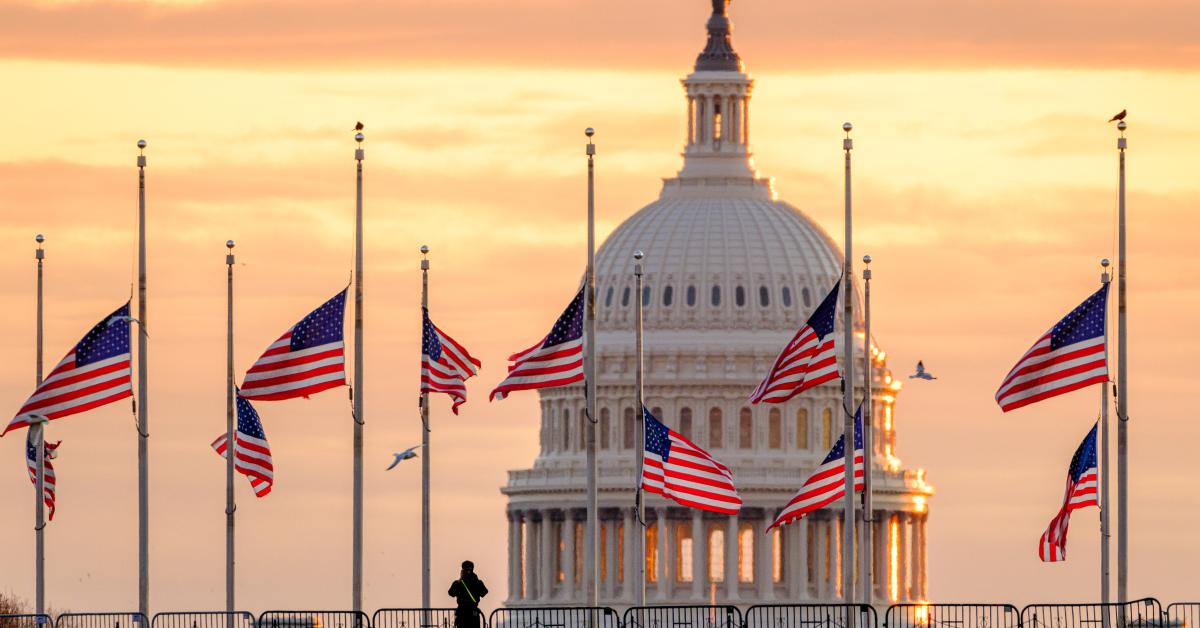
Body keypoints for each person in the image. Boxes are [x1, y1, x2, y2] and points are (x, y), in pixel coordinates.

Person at [448, 560, 488, 628]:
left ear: (462, 569)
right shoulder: (478, 582)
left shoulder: (458, 583)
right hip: (473, 612)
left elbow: (451, 593)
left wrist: (460, 578)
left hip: (462, 613)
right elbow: (484, 592)